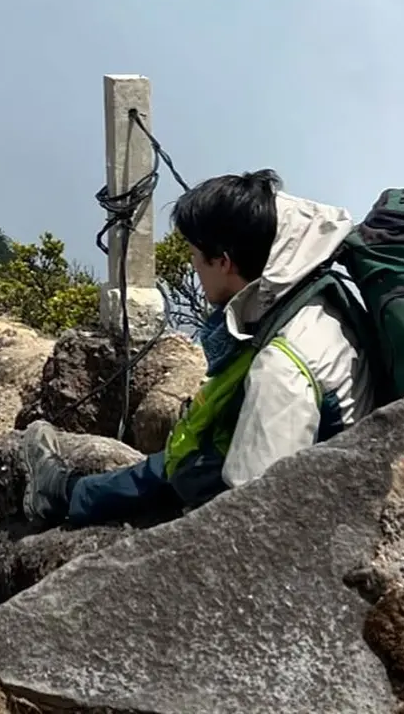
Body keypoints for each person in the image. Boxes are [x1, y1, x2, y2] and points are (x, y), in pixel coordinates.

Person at [24, 169, 374, 528]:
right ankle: (66, 492)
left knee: (187, 467)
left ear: (223, 262)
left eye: (195, 255)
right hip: (322, 455)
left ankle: (62, 495)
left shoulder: (280, 370)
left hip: (321, 508)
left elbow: (252, 509)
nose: (193, 265)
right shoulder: (306, 283)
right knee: (173, 463)